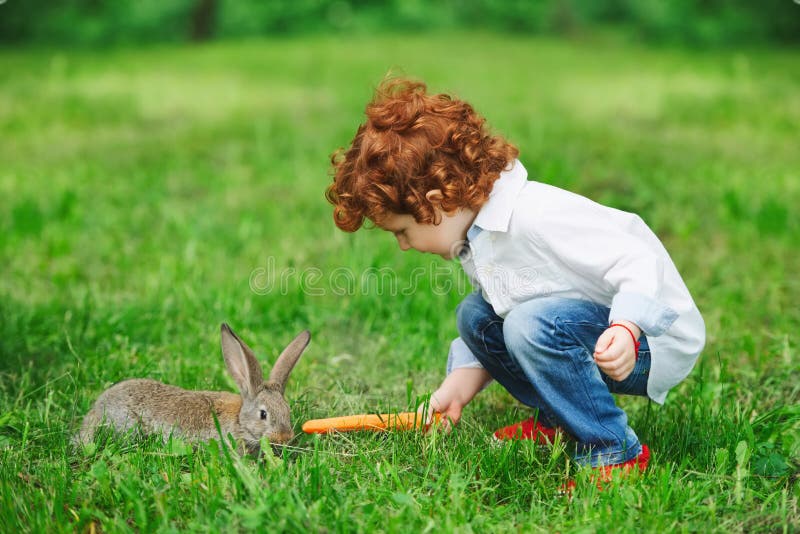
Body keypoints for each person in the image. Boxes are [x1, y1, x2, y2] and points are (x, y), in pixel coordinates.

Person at [324, 77, 705, 479]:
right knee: (476, 315)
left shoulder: (535, 216)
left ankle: (613, 451)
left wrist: (628, 327)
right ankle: (561, 421)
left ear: (433, 204)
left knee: (530, 324)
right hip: (590, 330)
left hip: (650, 339)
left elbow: (638, 258)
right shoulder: (476, 235)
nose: (403, 245)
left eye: (402, 231)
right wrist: (458, 387)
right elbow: (500, 306)